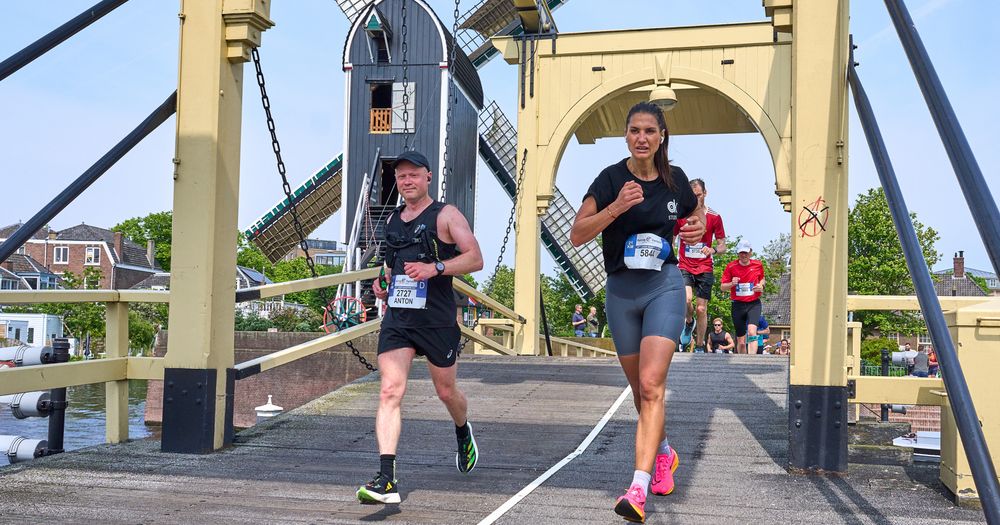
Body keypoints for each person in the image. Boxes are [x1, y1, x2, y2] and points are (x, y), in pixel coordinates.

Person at [570, 101, 704, 523]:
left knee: (651, 385)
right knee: (639, 393)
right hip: (621, 291)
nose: (641, 137)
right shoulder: (610, 179)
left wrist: (698, 221)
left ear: (662, 136)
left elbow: (694, 209)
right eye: (634, 130)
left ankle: (637, 488)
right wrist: (616, 208)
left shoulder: (674, 179)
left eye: (649, 130)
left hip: (663, 285)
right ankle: (664, 452)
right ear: (626, 136)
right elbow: (576, 234)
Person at [357, 150, 484, 505]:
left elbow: (475, 258)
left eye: (413, 174)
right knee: (390, 390)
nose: (407, 181)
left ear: (428, 177)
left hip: (436, 319)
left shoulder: (446, 215)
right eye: (401, 176)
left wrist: (436, 269)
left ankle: (462, 430)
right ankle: (386, 479)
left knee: (446, 393)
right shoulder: (393, 221)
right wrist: (383, 286)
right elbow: (389, 266)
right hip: (399, 318)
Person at [675, 179, 726, 353]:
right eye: (692, 196)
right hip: (685, 265)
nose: (695, 199)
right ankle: (689, 322)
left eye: (698, 195)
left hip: (704, 267)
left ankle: (699, 346)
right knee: (687, 299)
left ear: (705, 193)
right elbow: (670, 237)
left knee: (701, 308)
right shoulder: (681, 215)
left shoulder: (714, 217)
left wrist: (712, 249)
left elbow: (722, 246)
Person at [720, 241, 765, 355]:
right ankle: (742, 361)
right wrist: (732, 283)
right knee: (741, 341)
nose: (743, 255)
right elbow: (722, 287)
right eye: (741, 253)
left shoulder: (758, 265)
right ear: (738, 254)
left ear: (750, 252)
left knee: (752, 332)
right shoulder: (731, 266)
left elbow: (762, 279)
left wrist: (761, 285)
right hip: (738, 305)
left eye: (746, 252)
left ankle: (752, 360)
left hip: (753, 304)